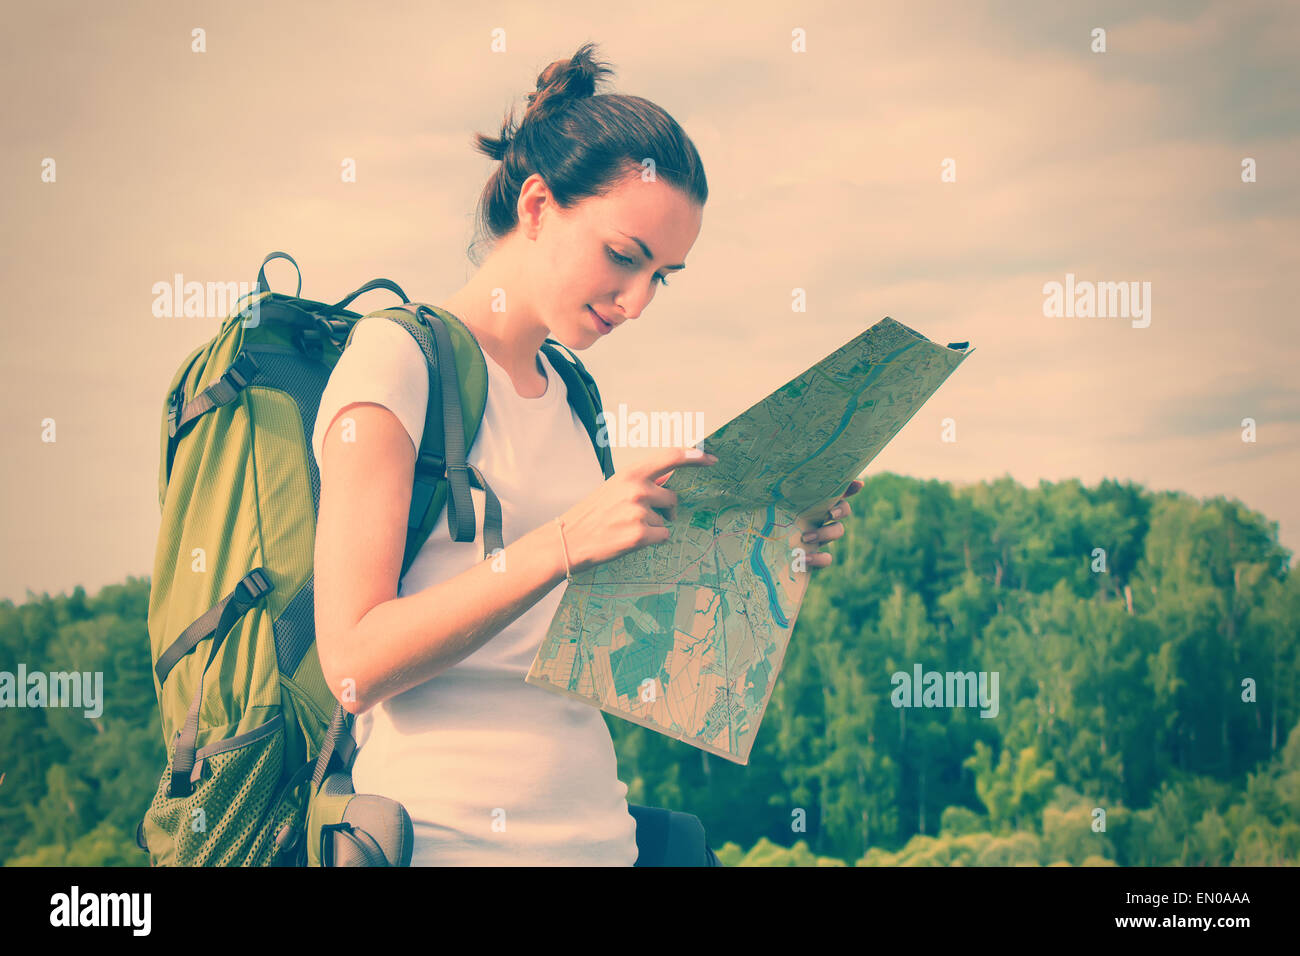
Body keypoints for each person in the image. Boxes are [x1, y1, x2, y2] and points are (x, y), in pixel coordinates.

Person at [311, 41, 860, 866]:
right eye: (624, 257)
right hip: (450, 846)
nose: (637, 302)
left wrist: (764, 556)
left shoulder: (572, 394)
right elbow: (351, 666)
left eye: (662, 277)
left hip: (607, 845)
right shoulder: (396, 363)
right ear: (537, 207)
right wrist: (563, 542)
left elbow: (623, 662)